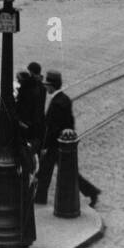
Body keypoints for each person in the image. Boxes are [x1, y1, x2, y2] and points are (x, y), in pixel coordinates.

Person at [33, 69, 99, 207]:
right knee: (63, 172)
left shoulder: (57, 102)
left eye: (46, 85)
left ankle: (40, 198)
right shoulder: (63, 98)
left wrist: (45, 146)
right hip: (63, 144)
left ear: (51, 86)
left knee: (46, 171)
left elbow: (52, 128)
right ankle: (91, 192)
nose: (45, 87)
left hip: (55, 145)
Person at [15, 61, 46, 152]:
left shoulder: (27, 87)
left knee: (27, 151)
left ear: (31, 72)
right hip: (39, 123)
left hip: (27, 125)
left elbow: (23, 105)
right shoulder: (42, 86)